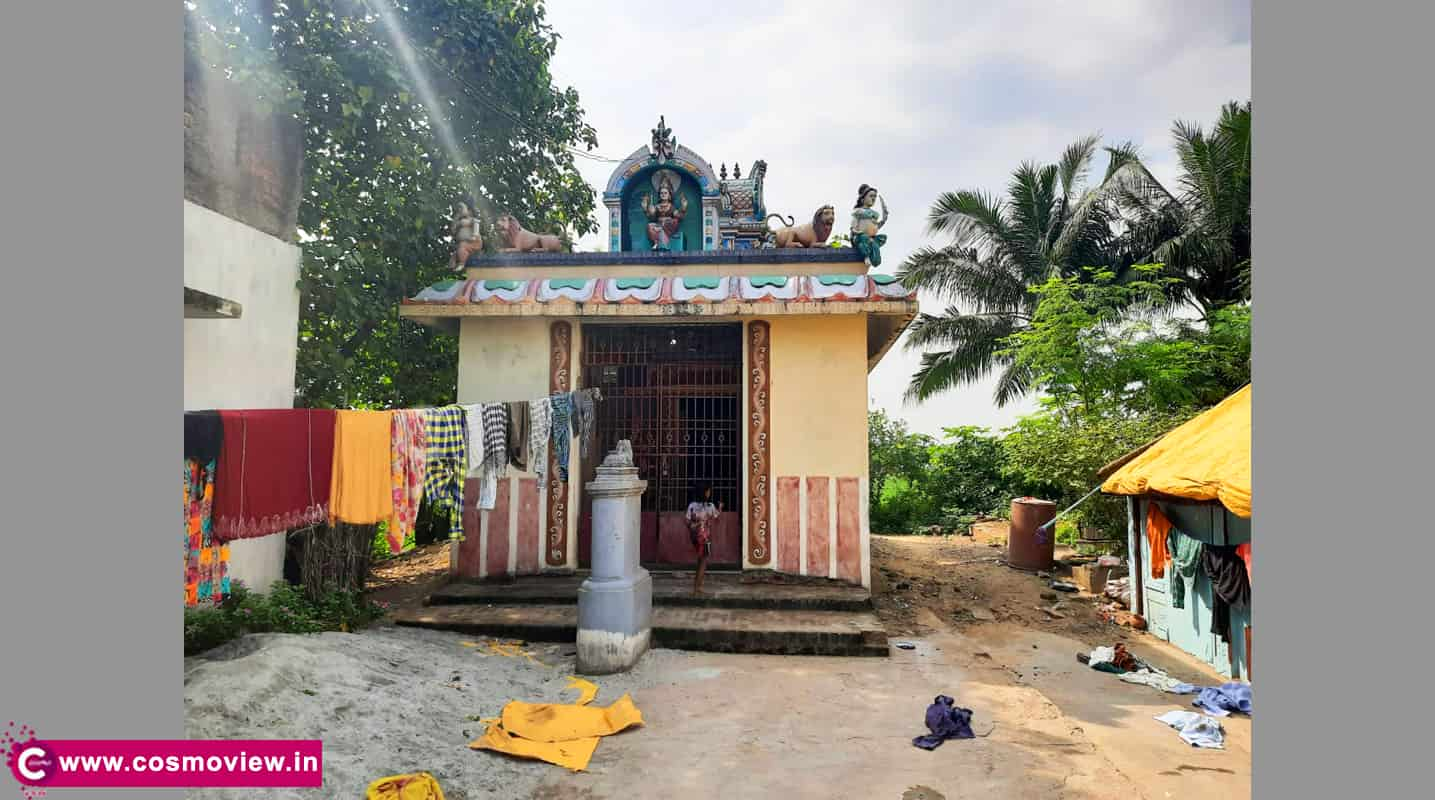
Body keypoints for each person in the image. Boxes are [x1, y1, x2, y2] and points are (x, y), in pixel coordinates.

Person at [685, 484, 722, 595]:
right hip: (705, 537)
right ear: (705, 492)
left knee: (699, 561)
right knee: (703, 563)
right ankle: (697, 589)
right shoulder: (709, 506)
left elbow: (687, 522)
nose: (709, 493)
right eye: (708, 491)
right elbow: (716, 516)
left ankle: (696, 587)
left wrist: (695, 524)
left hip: (695, 537)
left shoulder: (692, 505)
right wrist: (720, 507)